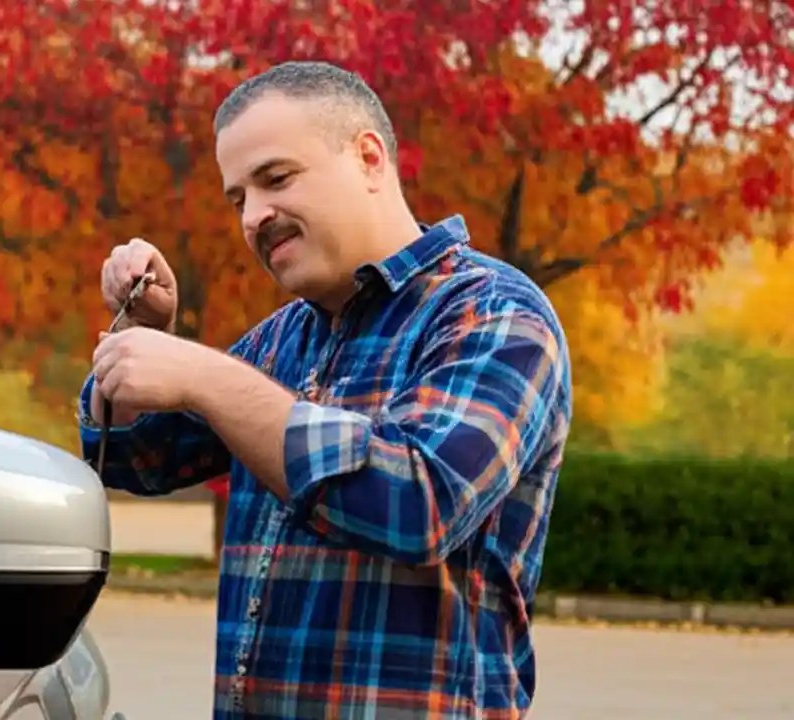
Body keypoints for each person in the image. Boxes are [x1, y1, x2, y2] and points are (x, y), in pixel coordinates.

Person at [78, 60, 572, 719]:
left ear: (369, 158)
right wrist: (143, 335)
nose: (254, 216)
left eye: (275, 179)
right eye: (237, 199)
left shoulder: (495, 315)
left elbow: (418, 503)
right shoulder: (281, 340)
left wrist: (203, 374)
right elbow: (139, 459)